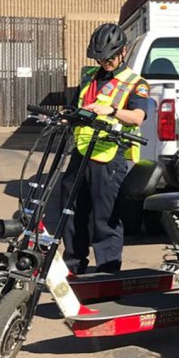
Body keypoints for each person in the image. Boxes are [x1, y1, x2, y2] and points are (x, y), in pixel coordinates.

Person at [61, 23, 149, 275]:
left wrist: (111, 110)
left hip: (110, 157)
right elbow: (77, 107)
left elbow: (137, 117)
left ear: (122, 52)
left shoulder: (135, 83)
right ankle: (74, 267)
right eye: (100, 58)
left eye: (109, 58)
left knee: (105, 218)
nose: (105, 63)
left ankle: (108, 274)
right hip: (81, 152)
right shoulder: (90, 78)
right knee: (72, 212)